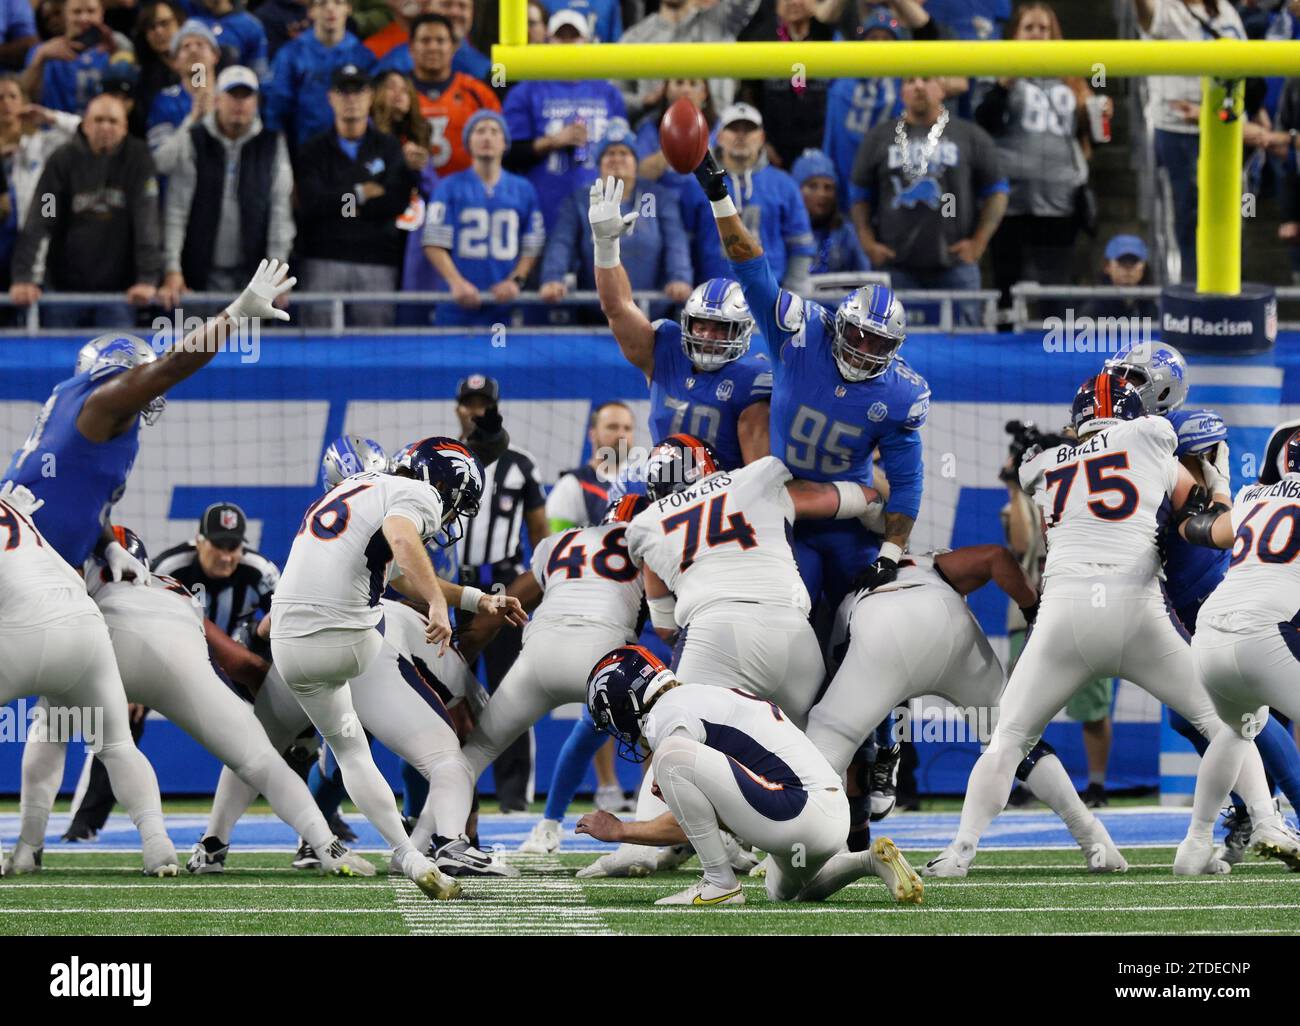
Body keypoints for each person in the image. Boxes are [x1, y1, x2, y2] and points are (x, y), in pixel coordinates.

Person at [925, 372, 1291, 878]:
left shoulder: (1043, 464)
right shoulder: (1153, 437)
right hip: (1135, 608)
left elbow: (1052, 478)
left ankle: (959, 852)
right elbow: (1200, 513)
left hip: (1064, 611)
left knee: (1008, 739)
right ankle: (1254, 824)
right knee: (1227, 722)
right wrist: (1219, 480)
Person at [15, 526, 375, 878]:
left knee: (66, 733)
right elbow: (231, 659)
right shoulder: (171, 584)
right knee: (259, 759)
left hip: (104, 639)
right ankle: (326, 845)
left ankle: (33, 847)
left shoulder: (71, 566)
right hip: (179, 645)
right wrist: (273, 701)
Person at [269, 438, 501, 899]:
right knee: (439, 751)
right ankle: (440, 842)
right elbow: (401, 537)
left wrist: (476, 599)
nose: (453, 514)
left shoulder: (353, 488)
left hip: (288, 646)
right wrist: (436, 603)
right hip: (350, 640)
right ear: (445, 483)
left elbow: (393, 569)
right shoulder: (416, 493)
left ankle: (408, 854)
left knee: (349, 748)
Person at [811, 546, 1127, 870]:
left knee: (822, 744)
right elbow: (995, 557)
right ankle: (1093, 839)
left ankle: (819, 855)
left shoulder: (838, 595)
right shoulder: (925, 563)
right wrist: (1034, 610)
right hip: (949, 624)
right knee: (1012, 738)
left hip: (879, 639)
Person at [1103, 344, 1300, 862]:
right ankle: (1249, 807)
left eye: (1131, 378)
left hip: (1210, 587)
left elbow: (1200, 519)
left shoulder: (1178, 431)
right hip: (1183, 597)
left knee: (1239, 715)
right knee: (1190, 717)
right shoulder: (1132, 436)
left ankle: (1273, 812)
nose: (1119, 387)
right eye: (1118, 376)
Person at [574, 645, 924, 906]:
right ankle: (868, 861)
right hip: (825, 815)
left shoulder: (668, 714)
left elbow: (683, 823)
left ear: (627, 704)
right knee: (786, 893)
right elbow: (720, 813)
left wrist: (622, 831)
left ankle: (719, 883)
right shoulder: (699, 696)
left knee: (670, 757)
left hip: (796, 810)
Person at [0, 485, 179, 878]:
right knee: (116, 745)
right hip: (83, 623)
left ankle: (28, 847)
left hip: (24, 630)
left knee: (48, 730)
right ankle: (157, 843)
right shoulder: (22, 511)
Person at [458, 494, 650, 855]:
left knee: (474, 753)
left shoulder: (562, 542)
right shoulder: (652, 538)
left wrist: (460, 657)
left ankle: (437, 841)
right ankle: (651, 844)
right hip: (604, 652)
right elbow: (671, 615)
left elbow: (511, 600)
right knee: (663, 742)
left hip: (539, 650)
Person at [1175, 426, 1300, 873]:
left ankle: (1193, 846)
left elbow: (1202, 530)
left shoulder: (1250, 498)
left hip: (1209, 634)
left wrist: (1208, 493)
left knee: (1235, 732)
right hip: (1266, 634)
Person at [591, 175, 773, 471]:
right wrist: (606, 246)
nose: (708, 335)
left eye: (720, 328)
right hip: (663, 490)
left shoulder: (753, 380)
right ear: (687, 322)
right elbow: (617, 306)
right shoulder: (666, 350)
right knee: (622, 494)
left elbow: (761, 477)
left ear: (741, 332)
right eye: (702, 325)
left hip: (724, 499)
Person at [451, 374, 550, 813]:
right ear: (457, 408)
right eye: (468, 403)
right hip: (454, 586)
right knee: (441, 688)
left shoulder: (521, 464)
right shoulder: (442, 458)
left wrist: (528, 593)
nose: (475, 411)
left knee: (510, 692)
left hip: (505, 586)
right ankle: (443, 787)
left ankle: (513, 799)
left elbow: (541, 538)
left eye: (483, 404)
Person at [974, 2, 1105, 309]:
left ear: (1054, 34)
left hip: (1060, 199)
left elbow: (1090, 140)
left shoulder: (1071, 75)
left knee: (1057, 293)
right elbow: (984, 121)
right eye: (1029, 28)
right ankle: (1005, 352)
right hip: (1012, 200)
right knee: (1008, 288)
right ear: (1015, 34)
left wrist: (1098, 116)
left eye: (1043, 29)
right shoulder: (998, 68)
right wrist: (1004, 85)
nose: (1037, 35)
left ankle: (1054, 350)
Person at [851, 75, 1008, 323]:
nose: (919, 86)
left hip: (956, 267)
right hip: (895, 267)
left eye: (927, 79)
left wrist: (978, 243)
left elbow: (997, 191)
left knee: (965, 353)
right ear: (901, 91)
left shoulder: (970, 135)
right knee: (893, 352)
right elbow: (858, 195)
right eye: (910, 81)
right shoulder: (878, 137)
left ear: (943, 88)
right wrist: (868, 243)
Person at [9, 91, 159, 328]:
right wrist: (23, 277)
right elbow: (42, 217)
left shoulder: (138, 159)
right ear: (85, 125)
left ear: (124, 127)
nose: (105, 127)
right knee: (58, 361)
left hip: (120, 292)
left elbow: (146, 219)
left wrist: (147, 278)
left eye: (113, 121)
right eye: (98, 120)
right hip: (64, 289)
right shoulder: (62, 161)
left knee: (118, 362)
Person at [159, 65, 294, 307]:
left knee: (252, 345)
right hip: (197, 274)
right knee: (198, 345)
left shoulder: (272, 145)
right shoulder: (194, 139)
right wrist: (172, 269)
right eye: (233, 95)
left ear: (256, 102)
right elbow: (176, 209)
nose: (239, 103)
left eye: (247, 96)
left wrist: (277, 265)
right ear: (218, 99)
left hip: (254, 277)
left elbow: (280, 212)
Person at [1133, 0, 1246, 284]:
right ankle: (1189, 286)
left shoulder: (1225, 10)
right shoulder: (1165, 8)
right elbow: (1146, 16)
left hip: (1226, 128)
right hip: (1178, 129)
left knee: (1229, 214)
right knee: (1186, 216)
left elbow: (1244, 63)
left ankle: (1227, 286)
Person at [296, 63, 415, 326]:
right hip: (322, 260)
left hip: (377, 261)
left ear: (370, 96)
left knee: (375, 354)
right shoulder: (312, 150)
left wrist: (339, 202)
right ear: (330, 98)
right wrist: (360, 194)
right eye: (343, 92)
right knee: (319, 351)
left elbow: (396, 201)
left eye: (358, 91)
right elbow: (312, 204)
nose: (351, 99)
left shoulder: (388, 147)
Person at [540, 118, 691, 315]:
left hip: (651, 313)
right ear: (599, 163)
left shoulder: (657, 197)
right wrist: (553, 278)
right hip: (598, 315)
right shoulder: (580, 200)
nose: (616, 158)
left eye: (624, 153)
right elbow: (561, 243)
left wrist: (679, 278)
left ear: (636, 162)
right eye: (609, 153)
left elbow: (676, 242)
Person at [415, 109, 543, 327]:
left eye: (494, 131)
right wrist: (456, 283)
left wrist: (515, 282)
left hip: (505, 306)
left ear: (505, 142)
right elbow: (433, 242)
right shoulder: (448, 187)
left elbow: (532, 244)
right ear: (468, 142)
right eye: (479, 131)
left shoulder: (523, 189)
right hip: (457, 305)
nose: (487, 137)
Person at [501, 10, 626, 232]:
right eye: (561, 37)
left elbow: (624, 148)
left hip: (598, 204)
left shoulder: (608, 92)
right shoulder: (526, 91)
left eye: (574, 37)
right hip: (543, 206)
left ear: (587, 42)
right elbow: (508, 154)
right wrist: (552, 141)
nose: (567, 43)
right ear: (548, 42)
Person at [678, 103, 815, 293]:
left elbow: (800, 245)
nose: (741, 135)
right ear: (718, 136)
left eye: (749, 130)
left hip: (770, 297)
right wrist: (684, 282)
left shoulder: (785, 185)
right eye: (733, 129)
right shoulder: (696, 184)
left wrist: (792, 296)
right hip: (711, 300)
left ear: (762, 138)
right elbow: (682, 243)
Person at [617, 0, 761, 121]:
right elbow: (612, 98)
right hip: (657, 137)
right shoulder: (636, 37)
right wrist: (644, 101)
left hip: (717, 138)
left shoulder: (721, 18)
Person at [263, 0, 375, 151]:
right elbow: (276, 107)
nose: (330, 9)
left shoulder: (363, 56)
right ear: (311, 11)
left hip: (353, 153)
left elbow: (374, 109)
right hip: (303, 151)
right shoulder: (291, 54)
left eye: (338, 2)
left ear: (348, 8)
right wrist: (277, 150)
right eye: (322, 3)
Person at [737, 0, 835, 170]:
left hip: (824, 148)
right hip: (774, 149)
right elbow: (748, 94)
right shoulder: (761, 39)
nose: (794, 2)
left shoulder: (830, 36)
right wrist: (762, 142)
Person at [404, 13, 499, 177]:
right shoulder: (396, 94)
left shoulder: (478, 92)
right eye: (425, 40)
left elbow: (501, 142)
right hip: (408, 193)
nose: (433, 47)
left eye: (440, 41)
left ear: (454, 47)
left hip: (468, 194)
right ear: (411, 47)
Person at [21, 0, 118, 112]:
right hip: (53, 126)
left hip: (97, 126)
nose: (84, 18)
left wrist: (114, 54)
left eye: (91, 11)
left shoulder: (115, 49)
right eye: (77, 12)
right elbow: (25, 96)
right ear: (64, 15)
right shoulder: (41, 51)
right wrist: (39, 59)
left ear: (102, 13)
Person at [145, 19, 220, 163]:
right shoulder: (164, 102)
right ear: (174, 62)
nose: (193, 50)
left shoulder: (231, 95)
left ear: (215, 56)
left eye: (200, 44)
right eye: (186, 46)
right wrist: (192, 120)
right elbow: (160, 162)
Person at [792, 148, 870, 274]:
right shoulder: (784, 233)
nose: (822, 194)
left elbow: (866, 280)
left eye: (828, 187)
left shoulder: (846, 234)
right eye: (812, 186)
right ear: (796, 191)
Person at [1078, 233, 1159, 322]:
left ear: (1143, 267)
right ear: (1107, 266)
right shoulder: (1094, 308)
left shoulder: (1150, 304)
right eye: (1122, 262)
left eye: (1133, 262)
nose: (1128, 268)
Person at [131, 0, 182, 136]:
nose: (158, 31)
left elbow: (199, 93)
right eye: (151, 27)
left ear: (180, 23)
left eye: (164, 23)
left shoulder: (197, 66)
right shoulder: (143, 79)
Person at [191, 0, 269, 80]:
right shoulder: (193, 25)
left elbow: (259, 74)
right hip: (199, 85)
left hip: (235, 87)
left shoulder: (250, 26)